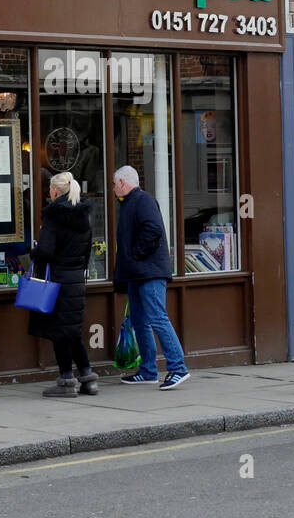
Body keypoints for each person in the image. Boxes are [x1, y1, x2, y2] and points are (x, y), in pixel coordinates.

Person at [112, 165, 189, 390]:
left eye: (115, 184)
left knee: (157, 317)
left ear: (123, 183)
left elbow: (153, 229)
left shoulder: (142, 200)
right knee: (139, 321)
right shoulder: (130, 203)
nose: (114, 188)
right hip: (138, 273)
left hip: (150, 272)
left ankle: (178, 368)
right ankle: (148, 371)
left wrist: (135, 254)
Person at [30, 171, 99, 397]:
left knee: (60, 332)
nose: (48, 192)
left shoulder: (54, 215)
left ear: (56, 191)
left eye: (50, 189)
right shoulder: (84, 216)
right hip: (77, 279)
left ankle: (66, 381)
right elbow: (87, 250)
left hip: (58, 280)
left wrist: (34, 252)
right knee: (72, 331)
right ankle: (88, 378)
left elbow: (47, 251)